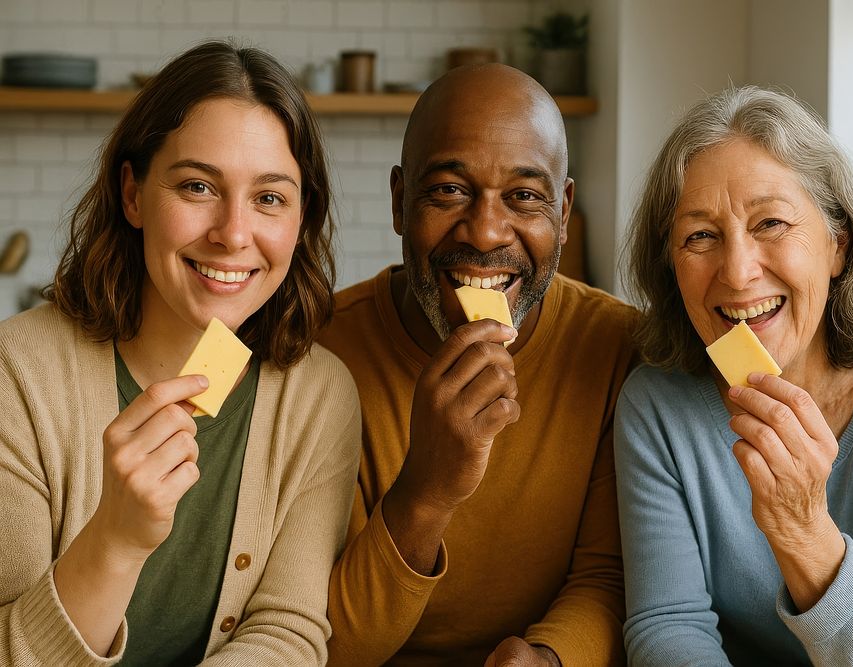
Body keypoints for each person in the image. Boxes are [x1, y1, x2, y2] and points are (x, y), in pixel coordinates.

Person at [0, 41, 361, 665]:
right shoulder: (19, 375)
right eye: (197, 186)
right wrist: (116, 538)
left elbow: (287, 632)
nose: (233, 234)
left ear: (302, 219)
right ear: (134, 194)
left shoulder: (319, 397)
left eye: (269, 197)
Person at [615, 84, 853, 666]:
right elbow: (669, 627)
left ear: (838, 245)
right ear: (671, 267)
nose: (739, 273)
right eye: (700, 236)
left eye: (771, 223)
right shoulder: (656, 405)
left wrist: (802, 530)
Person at [319, 63, 637, 666]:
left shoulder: (617, 348)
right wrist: (429, 489)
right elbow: (325, 644)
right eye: (448, 191)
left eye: (523, 196)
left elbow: (608, 579)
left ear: (563, 213)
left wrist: (550, 657)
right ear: (398, 202)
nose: (487, 232)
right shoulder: (317, 351)